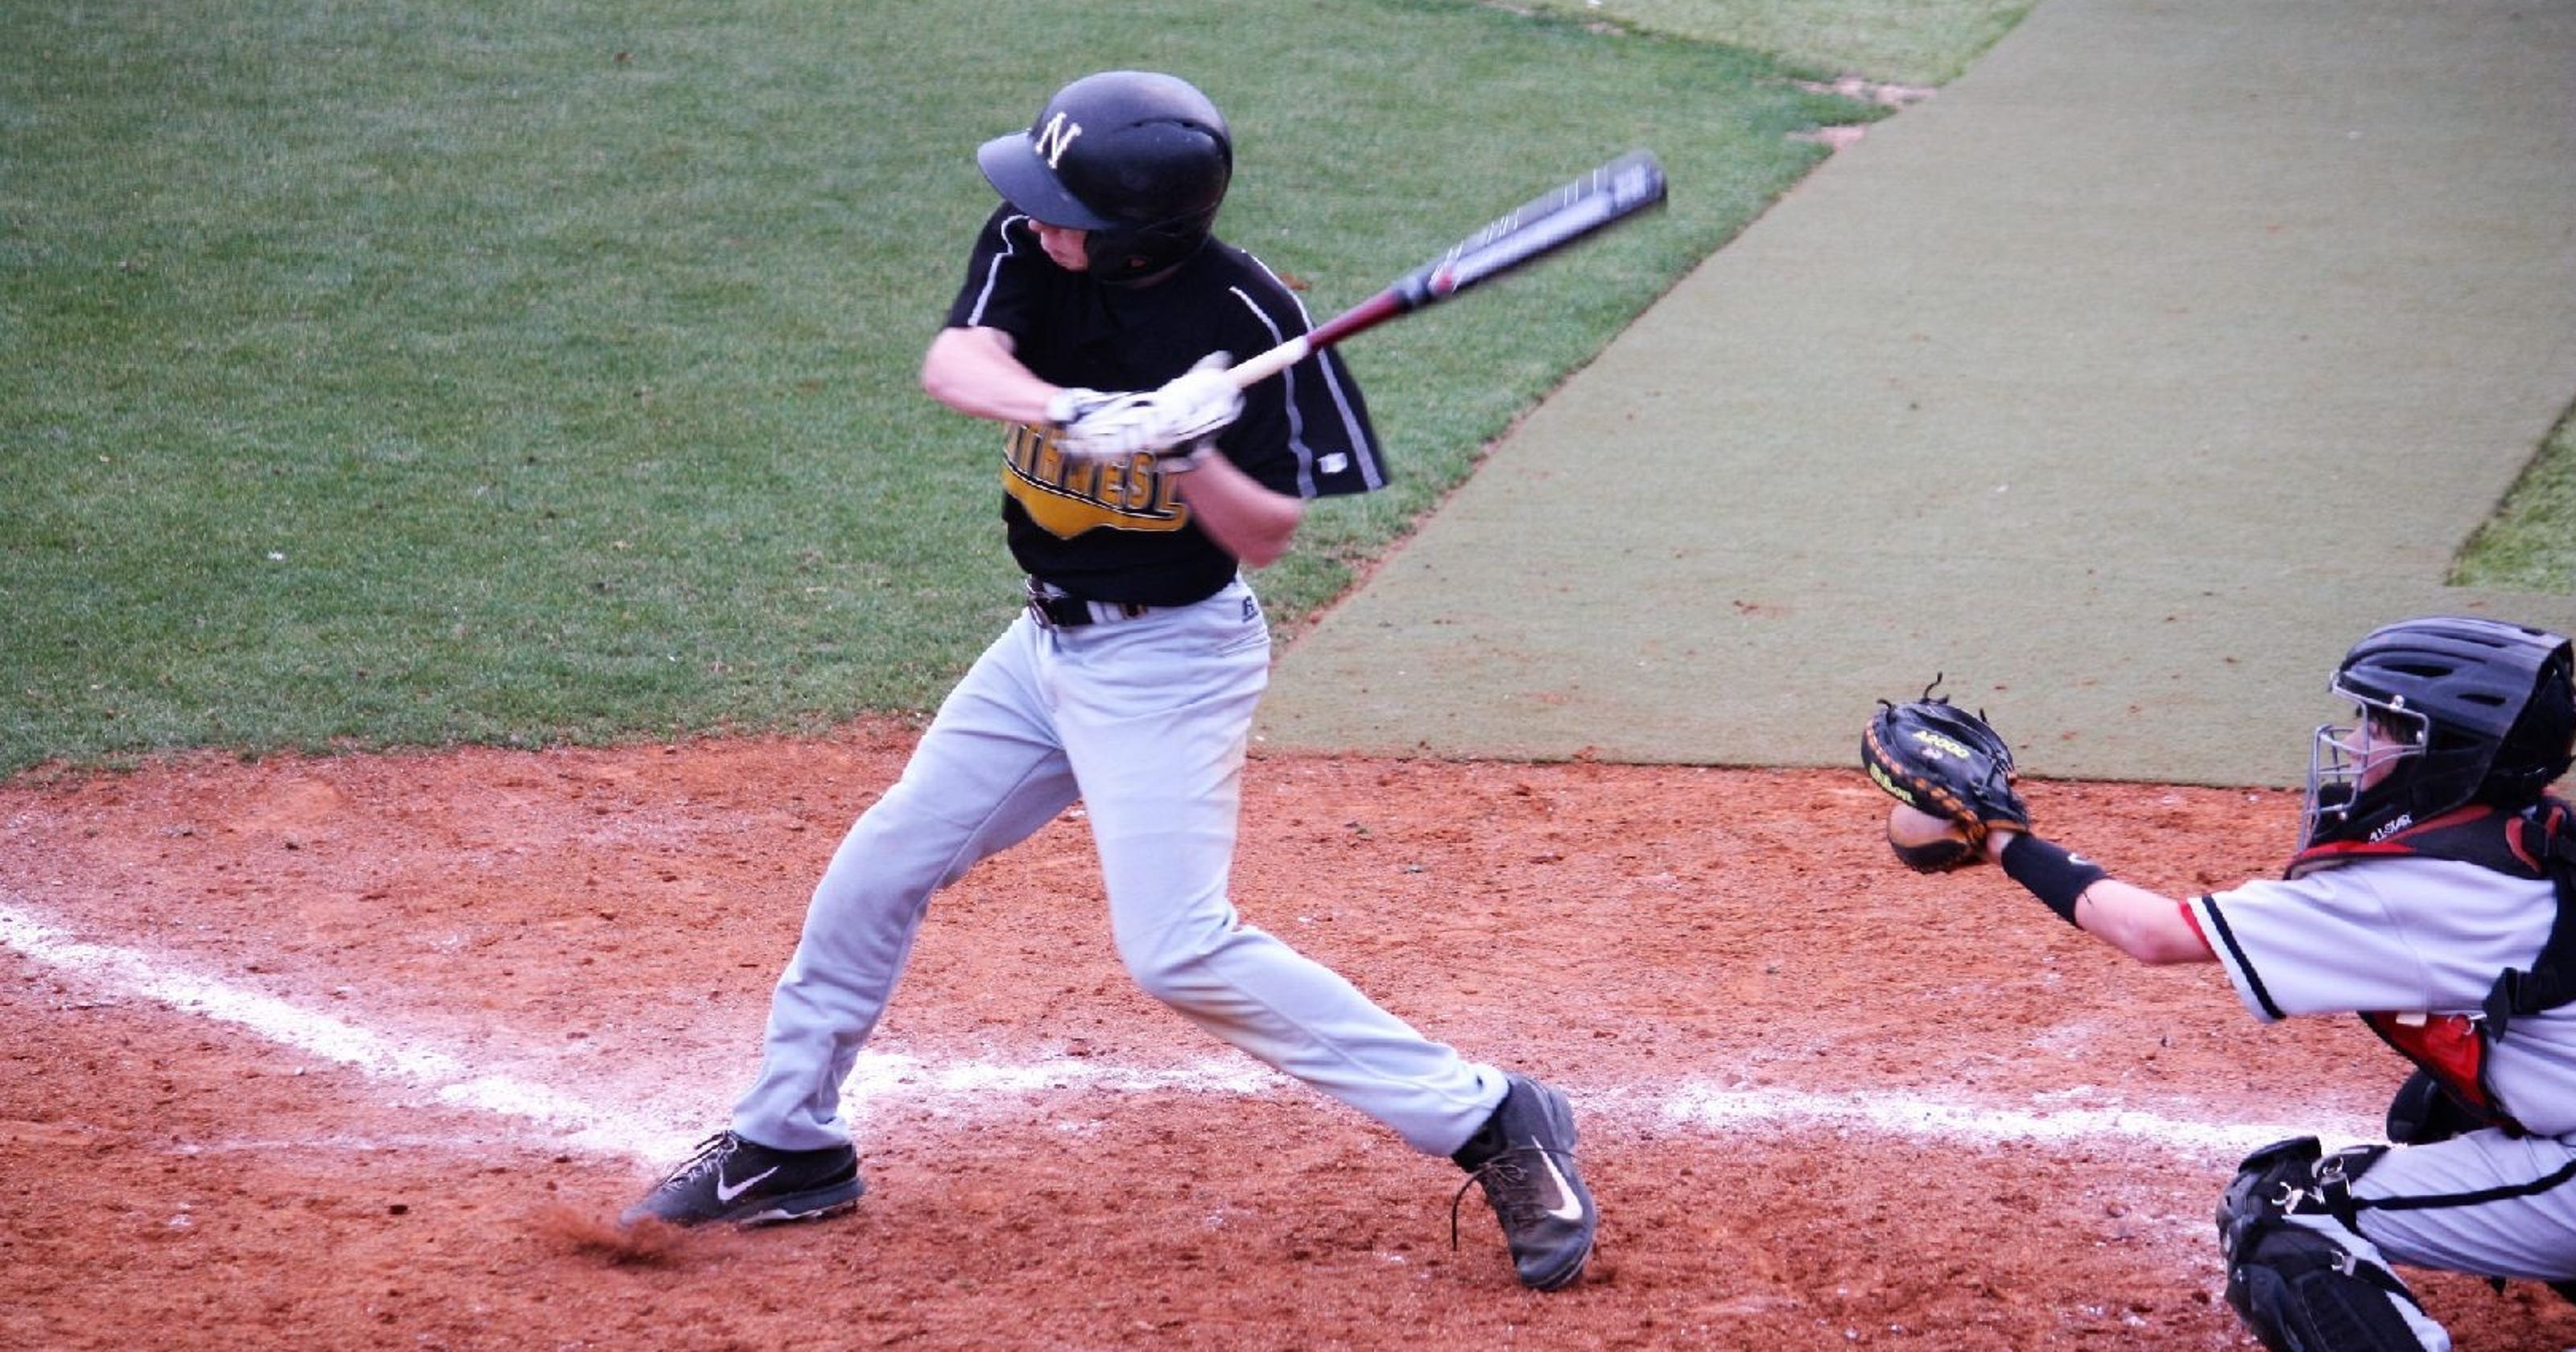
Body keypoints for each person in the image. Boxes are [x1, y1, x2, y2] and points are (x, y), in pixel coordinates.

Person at [620, 69, 1598, 1292]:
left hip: (1168, 660)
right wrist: (1081, 412)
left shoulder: (1245, 324)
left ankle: (1493, 1117)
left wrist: (1187, 452)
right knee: (880, 867)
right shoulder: (1037, 239)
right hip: (1039, 648)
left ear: (1141, 235)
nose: (1034, 218)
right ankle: (787, 1142)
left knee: (1175, 949)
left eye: (1064, 207)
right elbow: (957, 365)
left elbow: (1266, 535)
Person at [1955, 616, 2576, 1350]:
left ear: (2444, 752)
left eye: (2382, 725)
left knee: (2280, 1215)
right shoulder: (2539, 831)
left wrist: (2004, 840)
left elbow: (2151, 932)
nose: (2359, 742)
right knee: (2438, 1110)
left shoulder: (2424, 887)